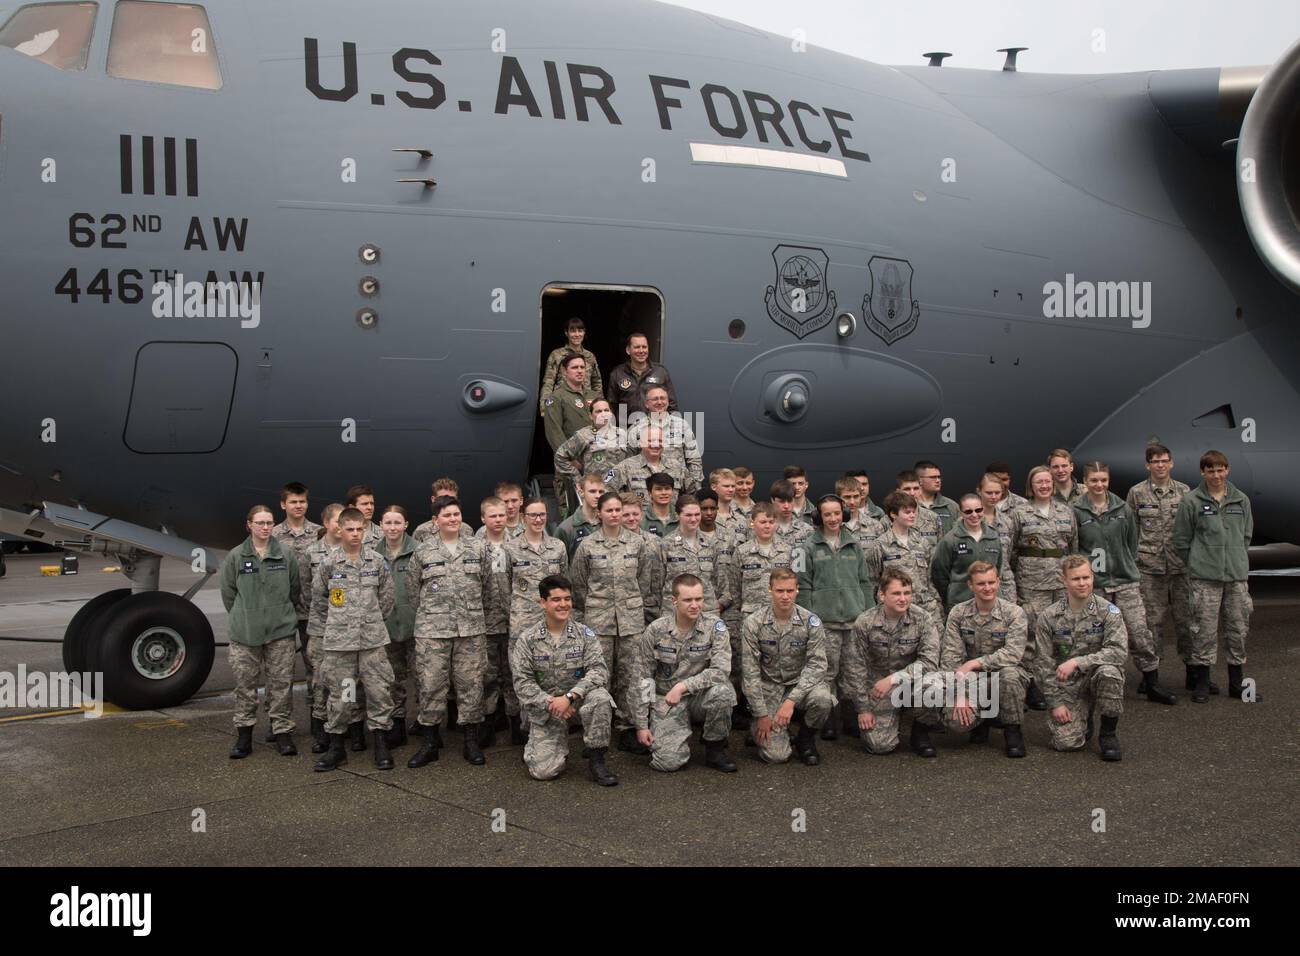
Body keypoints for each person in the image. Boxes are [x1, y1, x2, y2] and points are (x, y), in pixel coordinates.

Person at [1073, 462, 1176, 705]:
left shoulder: (1121, 507)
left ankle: (1151, 683)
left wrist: (1125, 565)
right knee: (1093, 638)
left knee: (1139, 633)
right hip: (1094, 586)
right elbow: (1075, 549)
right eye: (1094, 480)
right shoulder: (1076, 510)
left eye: (1103, 480)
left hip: (1125, 582)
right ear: (1085, 482)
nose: (1099, 485)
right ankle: (1094, 687)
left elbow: (1132, 542)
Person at [404, 495, 492, 768]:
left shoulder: (478, 548)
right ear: (435, 521)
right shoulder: (423, 552)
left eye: (456, 514)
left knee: (471, 685)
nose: (453, 519)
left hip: (470, 630)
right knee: (431, 685)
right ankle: (430, 743)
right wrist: (433, 617)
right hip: (433, 632)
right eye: (446, 515)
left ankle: (470, 741)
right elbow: (412, 591)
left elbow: (486, 588)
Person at [309, 507, 397, 771]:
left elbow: (387, 599)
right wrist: (339, 625)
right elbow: (320, 600)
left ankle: (381, 744)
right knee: (340, 696)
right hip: (340, 644)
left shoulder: (377, 561)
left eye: (360, 529)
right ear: (340, 530)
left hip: (372, 641)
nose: (356, 534)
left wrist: (370, 620)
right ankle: (337, 748)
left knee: (379, 691)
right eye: (350, 529)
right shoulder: (329, 564)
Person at [570, 492, 657, 754]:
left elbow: (644, 581)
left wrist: (630, 604)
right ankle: (597, 730)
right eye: (609, 510)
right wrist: (598, 607)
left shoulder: (637, 544)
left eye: (618, 509)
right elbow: (578, 585)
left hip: (631, 621)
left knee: (632, 676)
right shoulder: (588, 546)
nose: (615, 514)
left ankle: (629, 727)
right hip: (599, 621)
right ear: (599, 514)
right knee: (599, 677)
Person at [510, 574, 617, 785]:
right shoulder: (528, 639)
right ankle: (554, 745)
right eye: (556, 599)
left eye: (567, 599)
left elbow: (599, 671)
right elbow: (522, 683)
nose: (563, 604)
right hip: (547, 709)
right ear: (543, 602)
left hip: (577, 702)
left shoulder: (584, 634)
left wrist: (570, 696)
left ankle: (597, 759)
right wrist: (552, 703)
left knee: (600, 698)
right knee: (543, 772)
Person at [1172, 450, 1260, 703]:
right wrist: (1198, 562)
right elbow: (1181, 539)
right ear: (1203, 472)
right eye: (1210, 470)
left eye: (1220, 469)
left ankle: (1236, 683)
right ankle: (1201, 683)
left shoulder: (1240, 500)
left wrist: (1237, 560)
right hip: (1204, 578)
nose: (1216, 475)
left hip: (1235, 578)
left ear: (1227, 470)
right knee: (1203, 630)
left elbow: (1246, 535)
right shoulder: (1192, 501)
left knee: (1237, 628)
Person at [221, 505, 302, 759]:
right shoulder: (236, 556)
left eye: (269, 523)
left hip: (280, 632)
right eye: (260, 523)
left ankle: (282, 733)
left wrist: (279, 614)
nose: (265, 527)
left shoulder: (285, 554)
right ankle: (244, 736)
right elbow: (229, 593)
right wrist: (247, 615)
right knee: (245, 686)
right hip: (245, 634)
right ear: (249, 525)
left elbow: (294, 590)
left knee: (280, 685)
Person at [634, 574, 737, 772]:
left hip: (700, 697)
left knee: (723, 692)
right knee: (667, 763)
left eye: (699, 599)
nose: (695, 605)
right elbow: (643, 677)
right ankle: (675, 734)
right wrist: (641, 724)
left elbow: (720, 671)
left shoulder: (715, 627)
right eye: (688, 600)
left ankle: (714, 748)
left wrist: (683, 687)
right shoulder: (656, 630)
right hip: (667, 701)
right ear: (674, 601)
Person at [796, 494, 874, 741]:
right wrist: (811, 619)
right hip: (824, 622)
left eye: (837, 513)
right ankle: (827, 719)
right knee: (827, 672)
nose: (833, 518)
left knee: (853, 671)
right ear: (819, 517)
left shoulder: (855, 545)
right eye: (827, 514)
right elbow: (802, 585)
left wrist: (867, 613)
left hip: (853, 620)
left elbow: (865, 582)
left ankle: (850, 719)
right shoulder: (804, 547)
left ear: (844, 515)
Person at [1033, 556, 1126, 760]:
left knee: (1110, 673)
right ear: (1064, 580)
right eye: (1076, 579)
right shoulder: (1049, 616)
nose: (1082, 583)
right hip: (1067, 683)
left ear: (1093, 577)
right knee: (1067, 743)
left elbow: (1118, 652)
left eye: (1086, 577)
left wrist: (1078, 662)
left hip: (1096, 676)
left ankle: (1108, 733)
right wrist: (1055, 702)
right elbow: (1043, 664)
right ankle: (1084, 716)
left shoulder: (1109, 612)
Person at [840, 569, 941, 757]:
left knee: (935, 685)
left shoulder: (923, 619)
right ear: (881, 595)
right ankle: (887, 717)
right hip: (878, 688)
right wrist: (863, 709)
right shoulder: (865, 622)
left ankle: (920, 732)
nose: (903, 599)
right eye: (896, 593)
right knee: (880, 746)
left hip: (910, 683)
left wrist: (895, 678)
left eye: (907, 593)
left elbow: (929, 662)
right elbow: (854, 667)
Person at [1126, 444, 1200, 693]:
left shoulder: (1184, 492)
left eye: (1164, 461)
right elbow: (1131, 531)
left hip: (1180, 567)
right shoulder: (1136, 493)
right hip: (1150, 568)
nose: (1160, 465)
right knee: (1151, 624)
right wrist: (1135, 562)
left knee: (1187, 621)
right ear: (1147, 465)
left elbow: (1191, 529)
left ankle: (1193, 672)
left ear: (1172, 463)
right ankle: (1151, 676)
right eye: (1155, 461)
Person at [1004, 464, 1079, 711]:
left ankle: (1059, 683)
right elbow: (1010, 551)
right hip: (1031, 583)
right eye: (1039, 482)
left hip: (1060, 583)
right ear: (1031, 486)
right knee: (1031, 637)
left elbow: (1073, 550)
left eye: (1048, 482)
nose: (1044, 486)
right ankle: (1030, 685)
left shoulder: (1066, 512)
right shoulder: (1019, 513)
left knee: (1061, 634)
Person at [742, 569, 832, 765]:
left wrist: (791, 701)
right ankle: (757, 727)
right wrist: (761, 714)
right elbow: (750, 672)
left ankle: (805, 739)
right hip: (769, 686)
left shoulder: (811, 622)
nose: (785, 596)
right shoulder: (753, 623)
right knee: (776, 756)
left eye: (790, 591)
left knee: (823, 699)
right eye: (779, 591)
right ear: (770, 590)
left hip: (798, 684)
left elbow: (817, 665)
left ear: (797, 590)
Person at [938, 562, 1028, 758]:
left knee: (1010, 675)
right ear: (970, 585)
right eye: (980, 584)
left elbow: (1013, 653)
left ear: (998, 582)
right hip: (972, 679)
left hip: (1004, 675)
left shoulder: (1014, 613)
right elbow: (950, 657)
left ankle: (1012, 730)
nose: (987, 588)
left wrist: (975, 663)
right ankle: (982, 721)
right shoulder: (959, 613)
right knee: (956, 722)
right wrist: (959, 694)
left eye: (991, 582)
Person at [502, 497, 570, 744]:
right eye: (533, 515)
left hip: (552, 625)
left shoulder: (558, 547)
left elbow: (564, 582)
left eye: (542, 515)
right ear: (523, 517)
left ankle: (553, 729)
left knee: (552, 674)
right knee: (524, 678)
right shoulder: (510, 549)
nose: (538, 519)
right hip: (522, 626)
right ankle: (526, 731)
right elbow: (502, 589)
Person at [271, 481, 320, 738]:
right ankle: (279, 724)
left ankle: (318, 720)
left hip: (313, 611)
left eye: (302, 502)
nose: (298, 506)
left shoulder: (319, 533)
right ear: (283, 505)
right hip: (285, 612)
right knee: (281, 670)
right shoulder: (273, 536)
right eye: (293, 502)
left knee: (315, 667)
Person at [301, 502, 344, 753]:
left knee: (346, 681)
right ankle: (321, 730)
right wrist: (322, 613)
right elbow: (305, 589)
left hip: (346, 627)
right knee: (320, 680)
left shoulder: (354, 550)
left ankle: (345, 726)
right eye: (336, 521)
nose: (340, 526)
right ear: (326, 524)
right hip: (320, 628)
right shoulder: (312, 552)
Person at [378, 504, 419, 749]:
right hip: (387, 627)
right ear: (381, 525)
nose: (392, 527)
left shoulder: (419, 552)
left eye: (397, 522)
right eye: (388, 522)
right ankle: (397, 723)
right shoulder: (372, 553)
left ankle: (424, 722)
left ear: (406, 525)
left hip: (416, 627)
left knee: (422, 678)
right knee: (392, 679)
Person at [866, 491, 942, 619]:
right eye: (907, 512)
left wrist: (937, 605)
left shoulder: (922, 543)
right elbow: (872, 583)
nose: (912, 515)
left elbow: (929, 579)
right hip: (893, 611)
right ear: (893, 514)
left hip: (925, 609)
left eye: (914, 512)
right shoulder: (880, 545)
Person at [931, 492, 1007, 613]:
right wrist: (953, 592)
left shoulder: (994, 537)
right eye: (968, 511)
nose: (974, 515)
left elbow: (998, 567)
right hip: (960, 603)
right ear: (961, 513)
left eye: (978, 510)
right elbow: (939, 574)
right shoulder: (950, 540)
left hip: (990, 603)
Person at [477, 497, 512, 747]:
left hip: (514, 622)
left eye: (502, 515)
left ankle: (516, 724)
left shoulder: (518, 545)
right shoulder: (475, 549)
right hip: (486, 622)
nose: (499, 520)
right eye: (493, 516)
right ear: (483, 519)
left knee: (512, 674)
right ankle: (487, 723)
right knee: (487, 676)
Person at [554, 398, 628, 518]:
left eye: (606, 410)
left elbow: (629, 461)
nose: (603, 414)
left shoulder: (622, 434)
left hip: (619, 495)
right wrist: (578, 478)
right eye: (598, 411)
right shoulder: (583, 435)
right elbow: (560, 456)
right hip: (595, 497)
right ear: (590, 415)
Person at [655, 495, 724, 614]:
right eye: (688, 515)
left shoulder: (711, 543)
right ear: (677, 516)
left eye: (697, 514)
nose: (693, 519)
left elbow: (718, 580)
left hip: (706, 611)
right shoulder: (666, 544)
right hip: (675, 613)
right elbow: (656, 584)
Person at [630, 384, 703, 494]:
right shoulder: (636, 429)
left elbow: (694, 459)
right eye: (655, 399)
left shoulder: (682, 426)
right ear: (646, 404)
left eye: (663, 398)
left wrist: (696, 487)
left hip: (677, 488)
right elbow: (629, 461)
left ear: (668, 401)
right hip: (646, 489)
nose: (659, 402)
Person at [538, 317, 602, 416]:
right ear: (566, 333)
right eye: (572, 331)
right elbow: (548, 382)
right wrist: (544, 406)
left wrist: (600, 405)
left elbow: (596, 383)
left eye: (580, 331)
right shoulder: (557, 355)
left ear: (584, 332)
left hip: (586, 404)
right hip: (562, 403)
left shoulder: (589, 356)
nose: (577, 335)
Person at [611, 425, 686, 506]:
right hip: (638, 518)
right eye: (651, 440)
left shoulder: (677, 467)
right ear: (640, 443)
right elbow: (606, 491)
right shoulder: (624, 467)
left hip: (670, 517)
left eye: (660, 441)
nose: (656, 444)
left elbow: (691, 495)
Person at [606, 331, 677, 415]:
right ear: (628, 350)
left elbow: (672, 405)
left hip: (655, 425)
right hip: (626, 426)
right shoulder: (617, 374)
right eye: (637, 347)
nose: (641, 351)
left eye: (644, 347)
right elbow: (611, 406)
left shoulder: (660, 372)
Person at [544, 352, 601, 452]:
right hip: (571, 458)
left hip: (596, 457)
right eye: (575, 367)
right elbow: (554, 432)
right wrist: (569, 456)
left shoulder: (594, 396)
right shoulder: (556, 397)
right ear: (564, 371)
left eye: (582, 367)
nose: (580, 371)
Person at [976, 473, 1019, 602]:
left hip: (1004, 583)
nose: (994, 497)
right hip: (979, 583)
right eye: (989, 493)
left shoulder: (1008, 522)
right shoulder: (969, 520)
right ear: (979, 491)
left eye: (997, 492)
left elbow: (1012, 553)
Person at [555, 472, 605, 558]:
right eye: (592, 491)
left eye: (601, 492)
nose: (598, 496)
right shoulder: (566, 529)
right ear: (581, 492)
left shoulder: (609, 523)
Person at [413, 478, 475, 543]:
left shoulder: (466, 530)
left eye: (451, 499)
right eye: (442, 498)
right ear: (433, 499)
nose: (447, 502)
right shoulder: (421, 531)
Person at [894, 471, 943, 552]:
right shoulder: (888, 520)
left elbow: (940, 551)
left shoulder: (933, 518)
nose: (912, 493)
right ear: (898, 492)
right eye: (907, 489)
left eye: (916, 488)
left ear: (920, 490)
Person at [914, 460, 959, 536]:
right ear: (919, 480)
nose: (938, 480)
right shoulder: (909, 505)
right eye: (933, 477)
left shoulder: (951, 506)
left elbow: (958, 535)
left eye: (939, 477)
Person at [770, 479, 814, 547]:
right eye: (782, 501)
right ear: (772, 500)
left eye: (790, 501)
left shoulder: (807, 530)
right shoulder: (764, 528)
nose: (786, 506)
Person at [641, 473, 680, 537]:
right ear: (650, 493)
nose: (664, 493)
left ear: (672, 491)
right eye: (658, 489)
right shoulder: (641, 519)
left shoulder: (681, 516)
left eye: (667, 488)